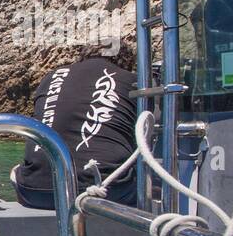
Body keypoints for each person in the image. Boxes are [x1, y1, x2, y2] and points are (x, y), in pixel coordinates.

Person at [13, 57, 139, 209]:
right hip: (108, 193)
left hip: (34, 192)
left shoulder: (51, 77)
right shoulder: (132, 81)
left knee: (15, 171)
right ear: (126, 62)